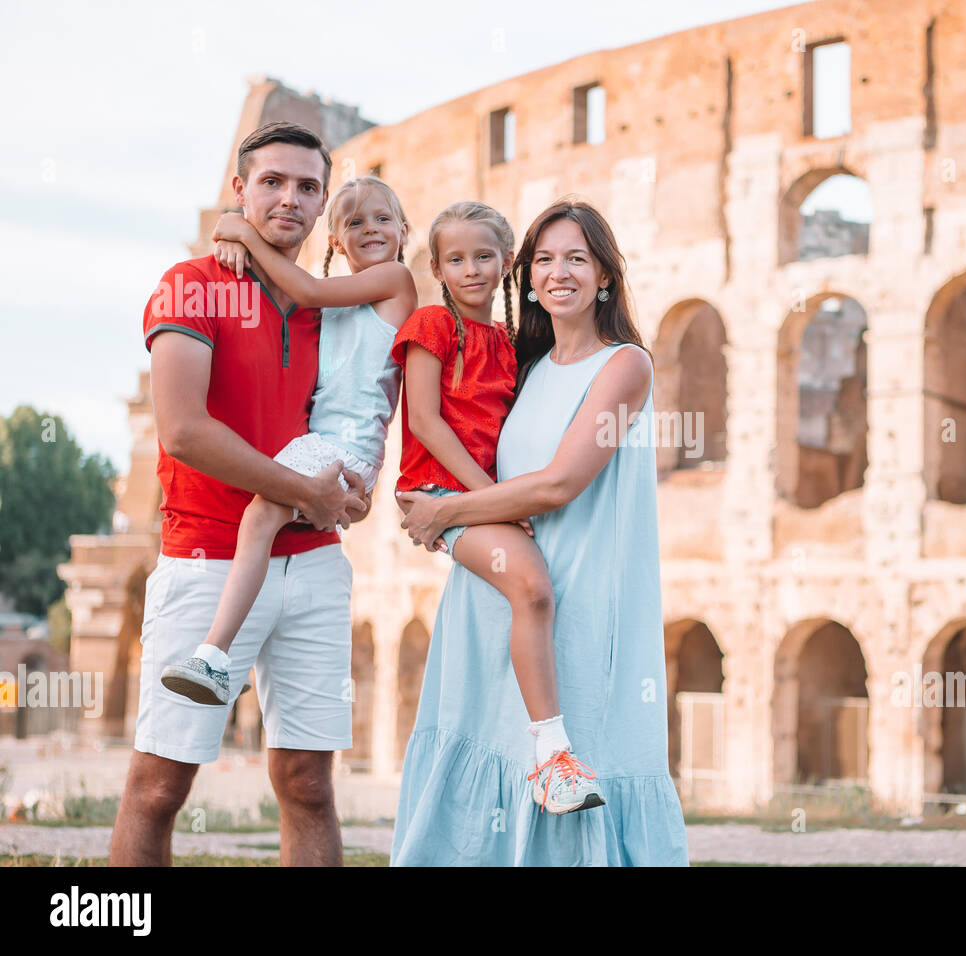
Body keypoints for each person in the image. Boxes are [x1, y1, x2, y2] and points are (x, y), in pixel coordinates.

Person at [390, 198, 690, 865]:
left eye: (577, 259)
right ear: (525, 279)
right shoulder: (521, 367)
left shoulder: (625, 365)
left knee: (577, 762)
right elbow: (431, 417)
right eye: (545, 260)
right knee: (486, 758)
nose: (559, 273)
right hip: (495, 596)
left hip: (579, 596)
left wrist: (442, 515)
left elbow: (559, 485)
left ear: (605, 276)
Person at [110, 122, 368, 867]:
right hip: (206, 558)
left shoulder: (333, 308)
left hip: (316, 565)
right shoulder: (190, 286)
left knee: (309, 785)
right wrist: (305, 492)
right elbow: (186, 429)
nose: (291, 197)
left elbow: (360, 415)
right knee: (158, 786)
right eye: (272, 182)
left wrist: (352, 491)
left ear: (324, 203)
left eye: (308, 186)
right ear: (240, 191)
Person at [158, 175, 415, 706]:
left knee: (256, 519)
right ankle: (233, 653)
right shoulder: (340, 307)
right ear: (336, 241)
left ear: (404, 230)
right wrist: (234, 241)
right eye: (355, 222)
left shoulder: (395, 281)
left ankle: (215, 654)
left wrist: (243, 235)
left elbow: (308, 288)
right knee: (262, 525)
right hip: (329, 443)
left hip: (344, 445)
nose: (371, 229)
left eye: (383, 219)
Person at [392, 201, 603, 814]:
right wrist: (487, 500)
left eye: (484, 256)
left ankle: (537, 757)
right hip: (442, 495)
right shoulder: (432, 324)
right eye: (455, 259)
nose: (471, 270)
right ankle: (552, 758)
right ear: (435, 267)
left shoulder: (509, 344)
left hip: (480, 499)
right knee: (533, 588)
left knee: (535, 594)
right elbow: (427, 423)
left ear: (507, 262)